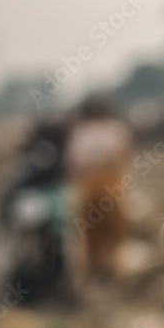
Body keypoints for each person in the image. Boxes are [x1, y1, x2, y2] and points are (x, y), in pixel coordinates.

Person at [63, 94, 134, 283]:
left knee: (111, 226)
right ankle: (96, 268)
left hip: (105, 181)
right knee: (94, 228)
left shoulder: (113, 130)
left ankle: (109, 267)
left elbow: (121, 157)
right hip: (96, 183)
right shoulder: (86, 131)